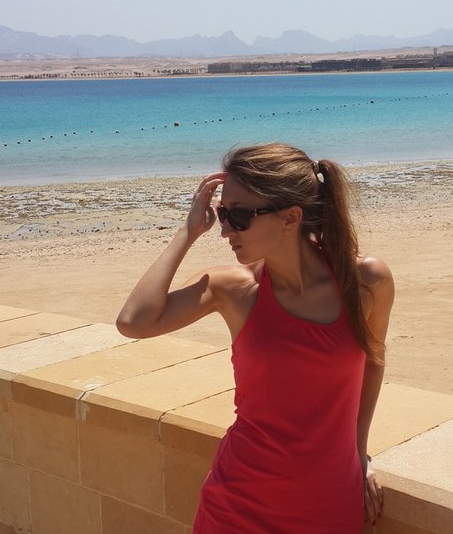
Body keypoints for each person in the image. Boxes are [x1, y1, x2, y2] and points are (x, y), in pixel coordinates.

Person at [116, 142, 394, 533]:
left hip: (329, 501)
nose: (226, 230)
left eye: (240, 215)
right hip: (237, 505)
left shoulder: (365, 281)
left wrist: (359, 452)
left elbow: (373, 362)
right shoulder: (234, 288)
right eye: (223, 213)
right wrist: (188, 231)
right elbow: (134, 322)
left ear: (290, 218)